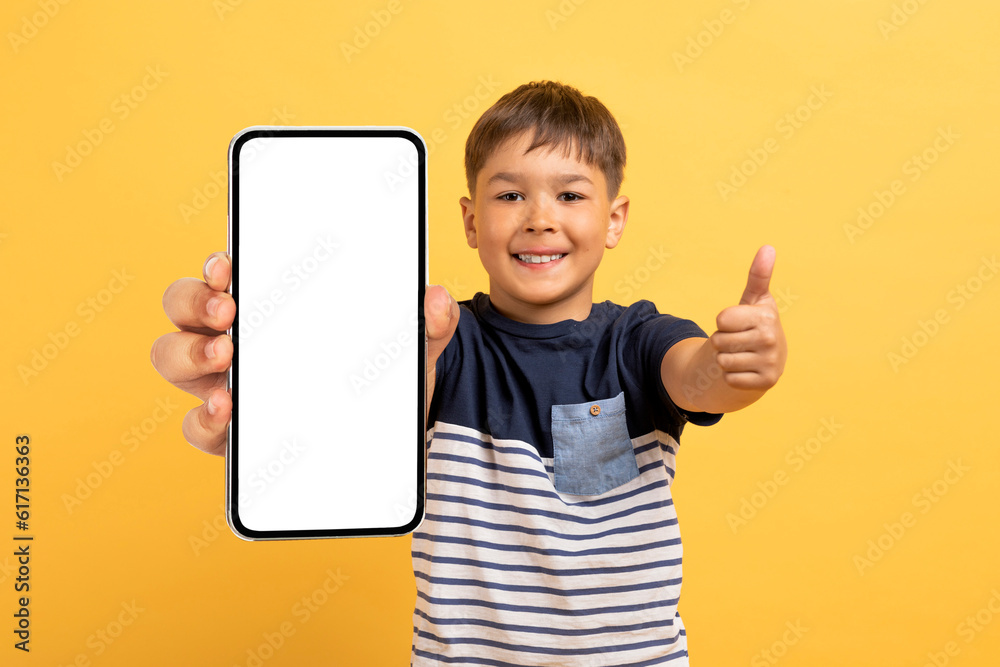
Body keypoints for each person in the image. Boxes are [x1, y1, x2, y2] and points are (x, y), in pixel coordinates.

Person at [150, 80, 787, 665]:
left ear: (614, 219)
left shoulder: (638, 340)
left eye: (570, 194)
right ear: (471, 221)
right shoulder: (435, 340)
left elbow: (700, 378)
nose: (539, 216)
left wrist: (738, 362)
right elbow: (372, 411)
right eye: (510, 195)